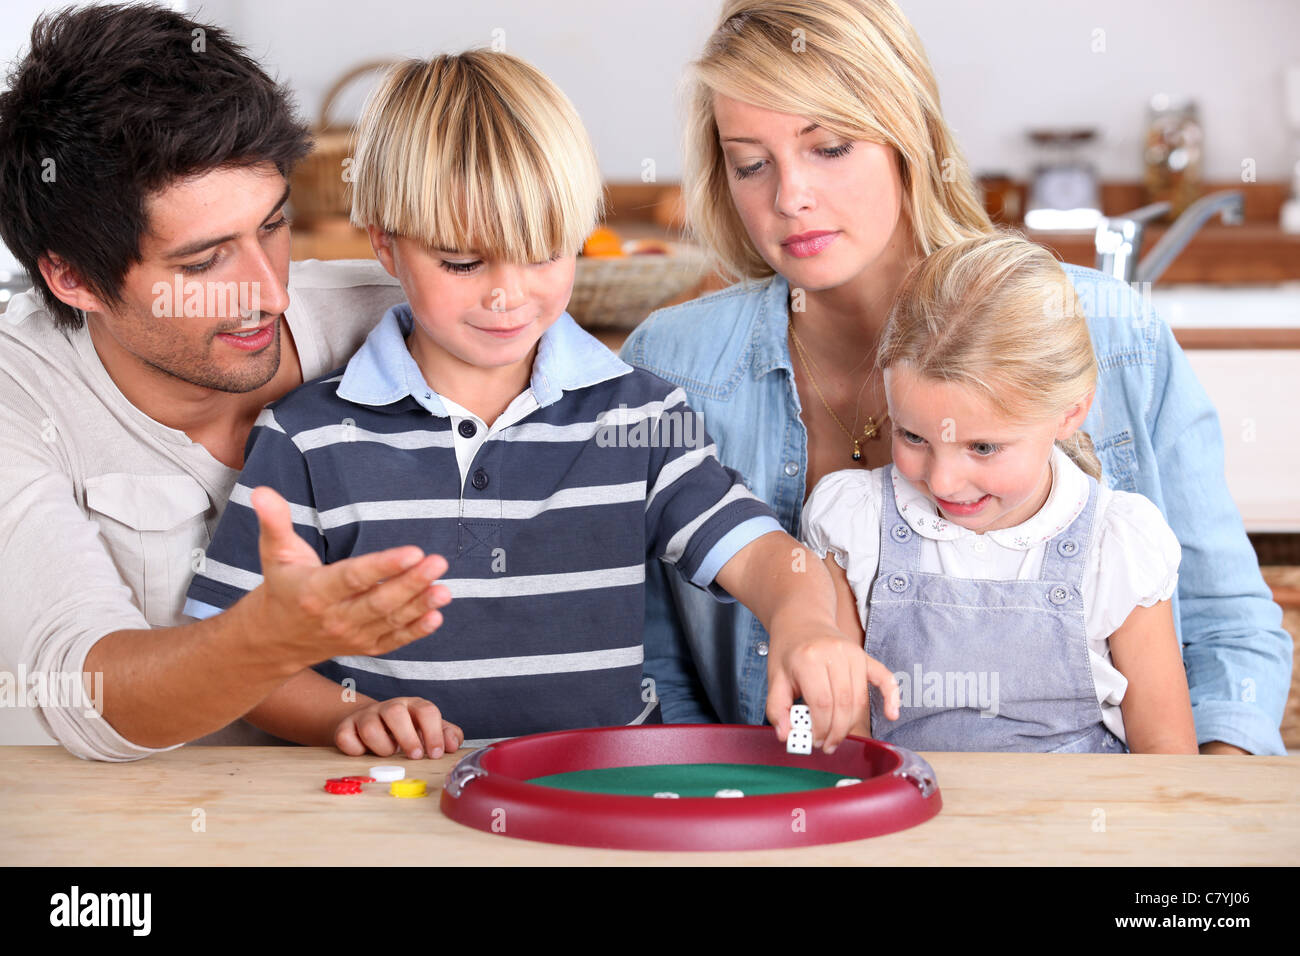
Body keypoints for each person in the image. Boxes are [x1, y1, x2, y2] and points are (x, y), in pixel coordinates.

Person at [619, 0, 1291, 755]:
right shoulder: (668, 368)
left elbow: (1227, 630)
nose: (790, 197)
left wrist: (1192, 826)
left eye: (831, 147)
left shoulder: (1111, 333)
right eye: (751, 163)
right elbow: (654, 670)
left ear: (908, 137)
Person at [182, 50, 897, 758]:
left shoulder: (637, 420)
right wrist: (348, 716)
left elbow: (768, 556)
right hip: (400, 808)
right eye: (462, 262)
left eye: (544, 253)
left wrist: (806, 624)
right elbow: (229, 656)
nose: (507, 296)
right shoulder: (309, 437)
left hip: (601, 802)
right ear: (387, 247)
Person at [0, 4, 470, 760]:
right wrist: (267, 639)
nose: (272, 294)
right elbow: (78, 687)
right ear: (72, 276)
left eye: (274, 226)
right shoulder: (16, 398)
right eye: (202, 262)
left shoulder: (403, 316)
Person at [803, 234, 1197, 753]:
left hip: (1081, 828)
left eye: (984, 447)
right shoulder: (851, 523)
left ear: (1069, 413)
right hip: (908, 826)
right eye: (913, 436)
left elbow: (1169, 761)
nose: (942, 482)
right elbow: (837, 744)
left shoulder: (1118, 543)